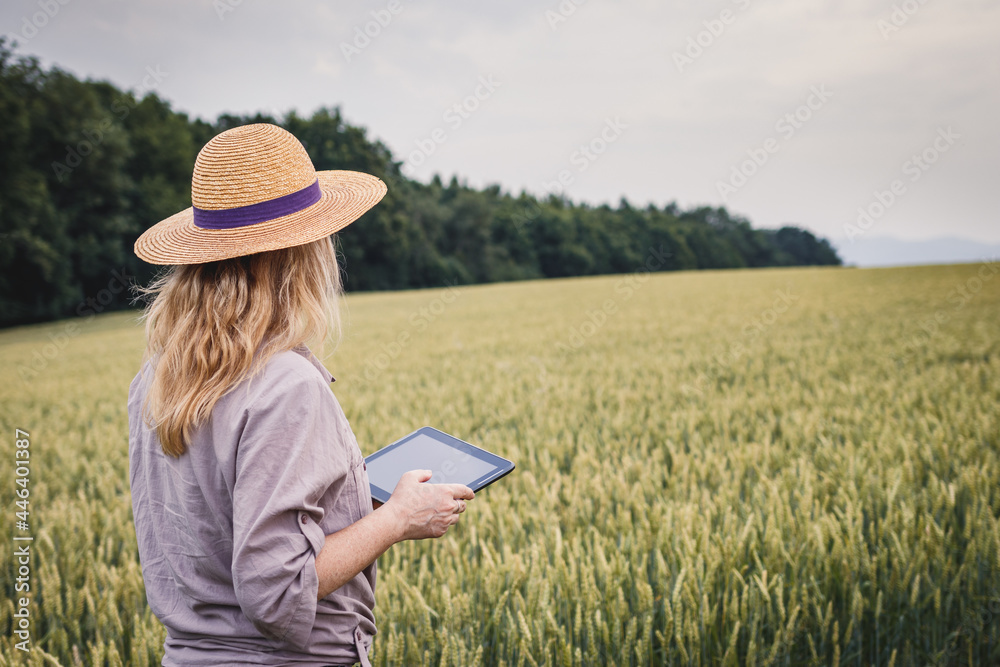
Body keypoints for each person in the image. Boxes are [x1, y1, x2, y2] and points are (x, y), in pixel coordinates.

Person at [127, 123, 475, 667]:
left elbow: (224, 523)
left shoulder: (155, 380)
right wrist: (397, 518)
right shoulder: (287, 384)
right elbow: (275, 588)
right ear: (302, 252)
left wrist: (357, 500)